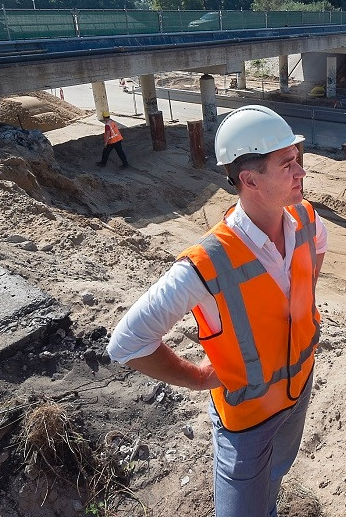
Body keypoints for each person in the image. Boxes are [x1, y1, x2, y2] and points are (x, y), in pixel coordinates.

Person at [107, 105, 327, 517]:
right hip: (245, 417)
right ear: (248, 180)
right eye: (287, 164)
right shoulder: (205, 265)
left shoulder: (307, 218)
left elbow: (315, 255)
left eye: (297, 160)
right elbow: (127, 342)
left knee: (276, 475)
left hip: (298, 389)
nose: (301, 173)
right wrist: (196, 377)